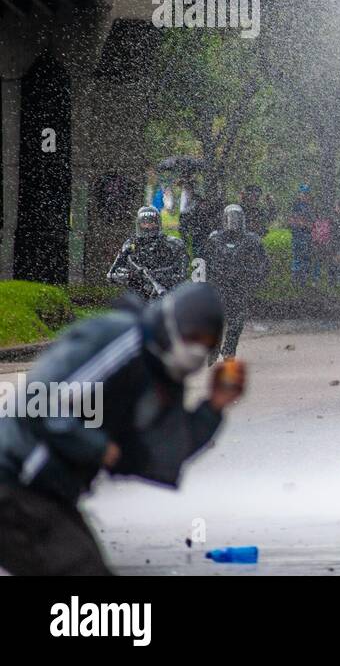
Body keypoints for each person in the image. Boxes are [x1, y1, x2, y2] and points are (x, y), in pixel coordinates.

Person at [0, 283, 239, 575]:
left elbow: (162, 457)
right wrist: (96, 447)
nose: (196, 349)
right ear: (172, 322)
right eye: (193, 336)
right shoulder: (123, 341)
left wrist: (214, 407)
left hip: (48, 494)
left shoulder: (163, 376)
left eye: (206, 342)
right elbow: (39, 400)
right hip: (15, 481)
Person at [199, 205, 268, 363]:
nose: (233, 223)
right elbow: (202, 262)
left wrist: (253, 279)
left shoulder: (251, 240)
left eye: (236, 219)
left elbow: (263, 264)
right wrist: (203, 282)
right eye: (230, 219)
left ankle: (229, 349)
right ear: (224, 220)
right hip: (218, 284)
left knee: (237, 320)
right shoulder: (215, 239)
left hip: (239, 285)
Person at [107, 206, 189, 301]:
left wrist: (158, 275)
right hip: (137, 293)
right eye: (144, 223)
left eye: (151, 222)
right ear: (139, 224)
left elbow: (182, 275)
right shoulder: (130, 245)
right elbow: (110, 275)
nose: (148, 226)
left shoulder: (173, 244)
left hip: (164, 292)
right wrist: (129, 275)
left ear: (158, 224)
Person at [287, 184, 314, 287]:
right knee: (297, 257)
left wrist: (305, 223)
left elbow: (311, 223)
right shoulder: (296, 206)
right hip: (297, 235)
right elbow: (292, 221)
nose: (305, 196)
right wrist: (300, 222)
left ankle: (303, 281)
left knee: (306, 258)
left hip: (306, 235)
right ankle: (295, 280)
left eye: (307, 194)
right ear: (300, 195)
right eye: (303, 194)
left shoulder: (310, 207)